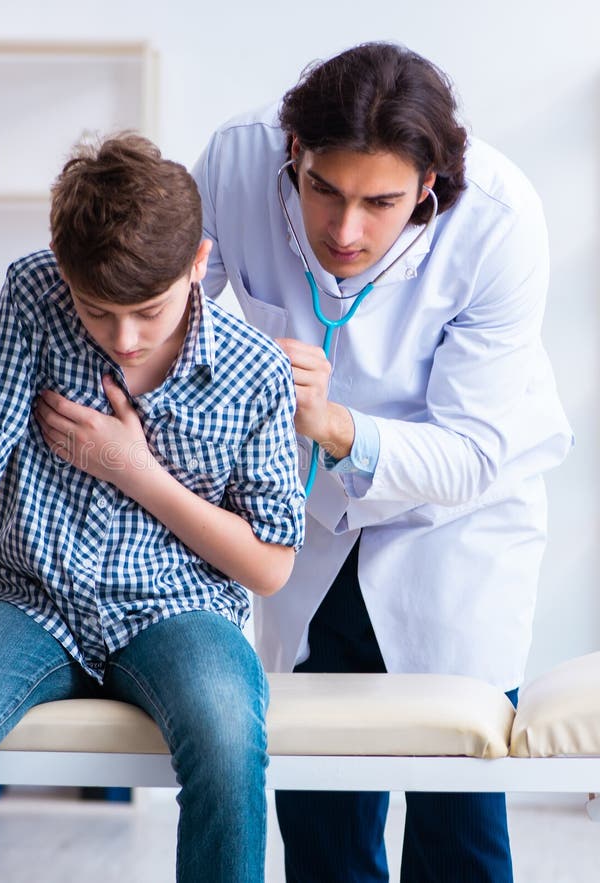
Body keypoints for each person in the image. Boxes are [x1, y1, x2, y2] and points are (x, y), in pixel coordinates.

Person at [189, 42, 573, 883]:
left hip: (456, 531)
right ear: (293, 152)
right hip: (311, 526)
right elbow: (160, 308)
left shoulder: (500, 224)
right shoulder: (233, 161)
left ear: (428, 187)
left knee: (459, 821)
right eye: (323, 189)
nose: (344, 230)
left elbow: (471, 451)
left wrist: (333, 423)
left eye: (382, 202)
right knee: (321, 817)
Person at [0, 134, 305, 883]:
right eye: (98, 310)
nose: (124, 338)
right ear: (61, 263)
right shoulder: (35, 294)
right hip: (33, 603)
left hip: (179, 610)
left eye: (148, 310)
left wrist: (135, 471)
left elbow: (270, 564)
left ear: (199, 262)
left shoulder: (257, 370)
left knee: (230, 736)